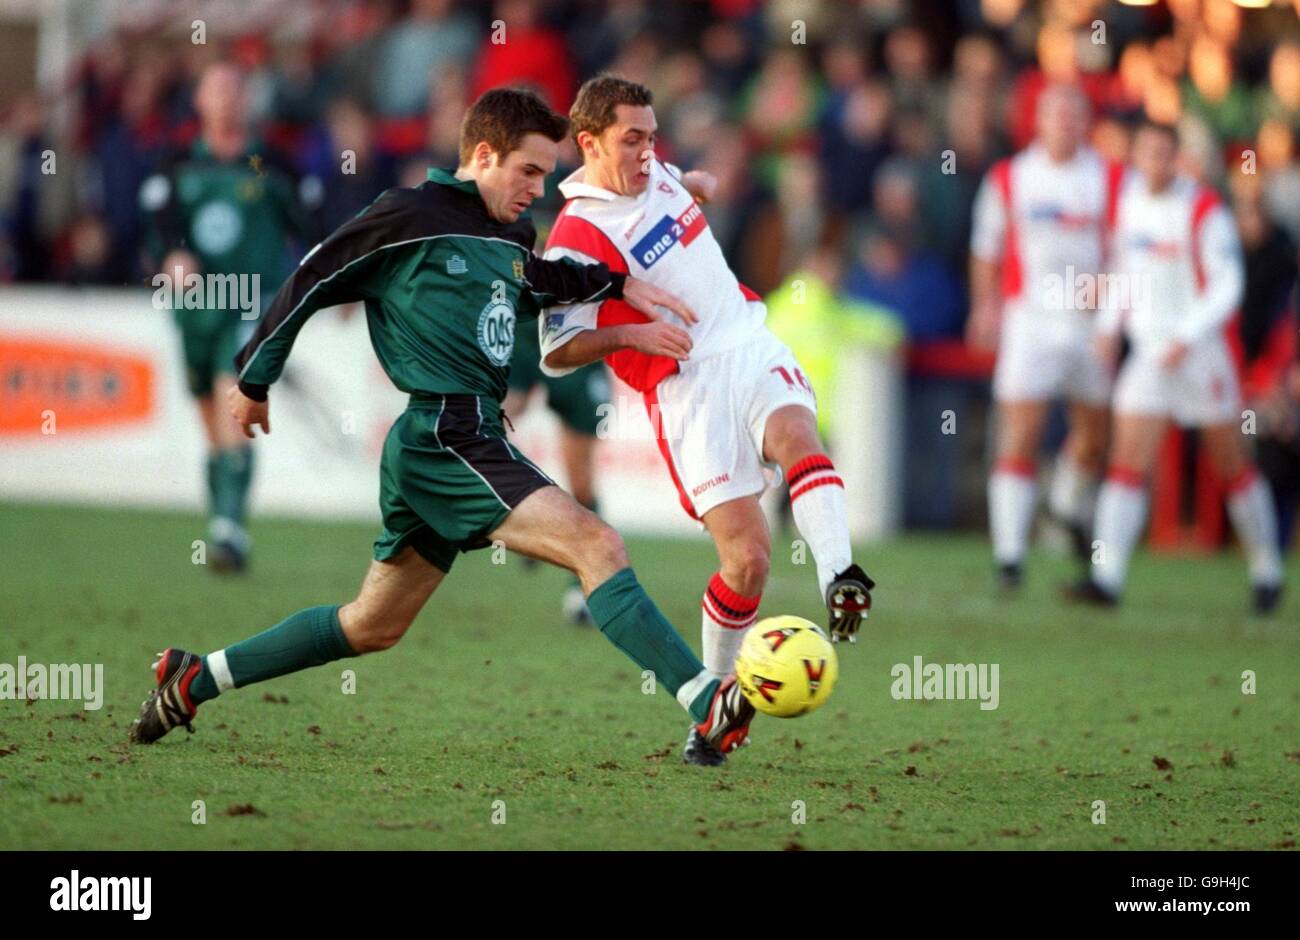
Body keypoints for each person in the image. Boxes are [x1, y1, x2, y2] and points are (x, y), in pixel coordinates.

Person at [129, 88, 757, 756]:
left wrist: (616, 284)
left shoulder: (510, 233)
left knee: (371, 625)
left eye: (545, 174)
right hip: (445, 435)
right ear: (482, 155)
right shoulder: (408, 215)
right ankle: (704, 698)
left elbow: (539, 279)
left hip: (452, 440)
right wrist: (255, 375)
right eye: (528, 171)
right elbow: (315, 274)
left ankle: (196, 676)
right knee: (597, 546)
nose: (536, 189)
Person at [534, 75, 875, 767]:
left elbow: (665, 185)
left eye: (652, 137)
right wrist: (632, 337)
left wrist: (689, 181)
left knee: (798, 435)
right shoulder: (575, 237)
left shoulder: (653, 168)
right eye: (632, 140)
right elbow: (556, 350)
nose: (645, 151)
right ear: (589, 142)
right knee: (746, 560)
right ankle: (717, 704)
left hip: (746, 341)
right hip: (686, 387)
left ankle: (842, 574)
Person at [1065, 120, 1284, 613]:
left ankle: (1267, 569)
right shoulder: (1128, 200)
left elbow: (1228, 284)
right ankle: (1107, 577)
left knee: (1231, 463)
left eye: (1165, 154)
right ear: (1138, 155)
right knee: (1126, 461)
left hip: (1202, 354)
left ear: (1177, 157)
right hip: (1149, 353)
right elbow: (1124, 271)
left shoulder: (1204, 208)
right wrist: (1107, 325)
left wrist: (1186, 336)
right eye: (1146, 153)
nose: (1155, 163)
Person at [140, 62, 317, 572]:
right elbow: (156, 221)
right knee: (206, 409)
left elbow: (310, 226)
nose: (224, 101)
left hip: (251, 300)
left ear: (246, 102)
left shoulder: (271, 164)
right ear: (199, 101)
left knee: (230, 389)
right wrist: (173, 253)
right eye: (214, 91)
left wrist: (337, 281)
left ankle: (229, 528)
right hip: (195, 306)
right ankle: (223, 512)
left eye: (234, 91)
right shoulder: (175, 161)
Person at [967, 83, 1124, 590]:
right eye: (1055, 115)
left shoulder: (1108, 178)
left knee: (1095, 435)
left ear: (1086, 122)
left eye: (1074, 115)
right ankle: (1010, 555)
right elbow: (987, 248)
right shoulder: (1011, 178)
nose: (1064, 125)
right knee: (1021, 431)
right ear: (1038, 121)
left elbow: (1124, 249)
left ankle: (1063, 504)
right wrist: (986, 306)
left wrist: (1113, 308)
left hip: (1087, 322)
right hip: (1030, 318)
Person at [502, 304, 611, 625]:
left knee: (581, 483)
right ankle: (529, 518)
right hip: (525, 330)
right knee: (484, 427)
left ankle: (582, 587)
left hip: (575, 341)